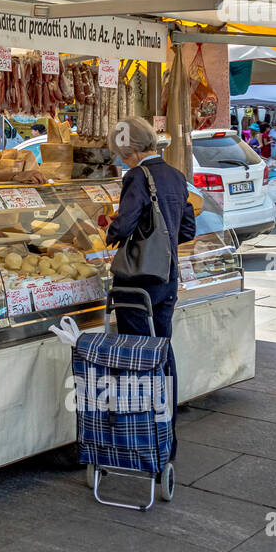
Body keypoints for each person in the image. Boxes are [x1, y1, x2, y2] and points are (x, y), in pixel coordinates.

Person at [103, 117, 196, 459]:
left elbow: (125, 222)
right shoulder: (175, 175)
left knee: (137, 353)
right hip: (167, 278)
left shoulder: (136, 177)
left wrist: (111, 233)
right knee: (160, 350)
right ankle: (165, 433)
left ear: (128, 149)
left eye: (120, 152)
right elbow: (187, 229)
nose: (120, 158)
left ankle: (137, 434)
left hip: (136, 281)